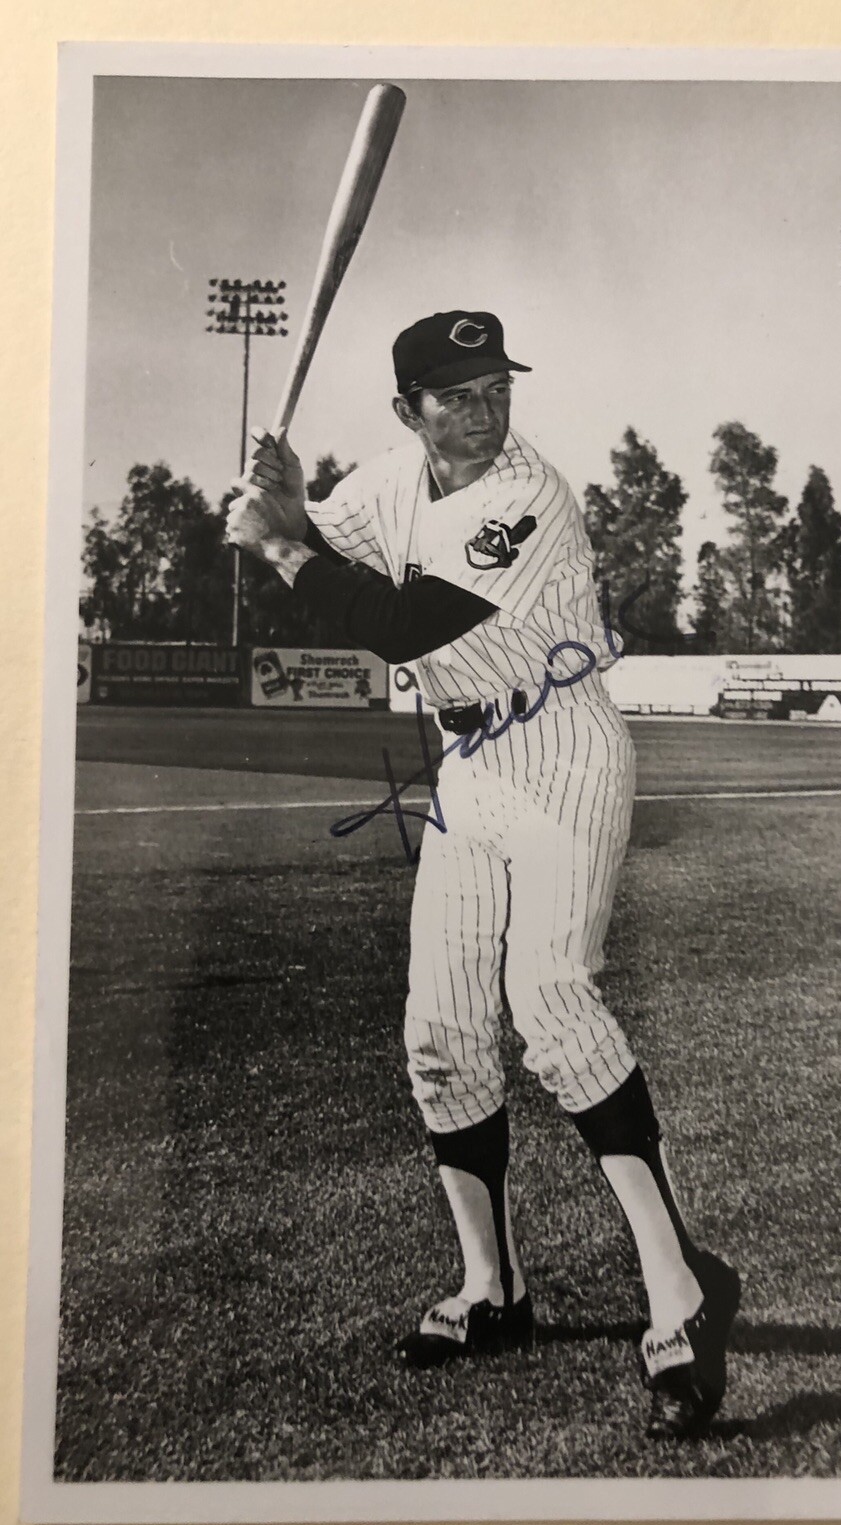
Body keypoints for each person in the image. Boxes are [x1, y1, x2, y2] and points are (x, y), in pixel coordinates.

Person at [226, 309, 739, 1439]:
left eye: (496, 385)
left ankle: (682, 1289)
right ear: (408, 411)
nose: (483, 408)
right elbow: (328, 542)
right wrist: (286, 502)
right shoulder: (388, 483)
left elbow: (402, 625)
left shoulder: (528, 493)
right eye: (455, 394)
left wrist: (278, 546)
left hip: (563, 745)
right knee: (441, 1034)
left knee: (551, 1004)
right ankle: (492, 1289)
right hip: (471, 760)